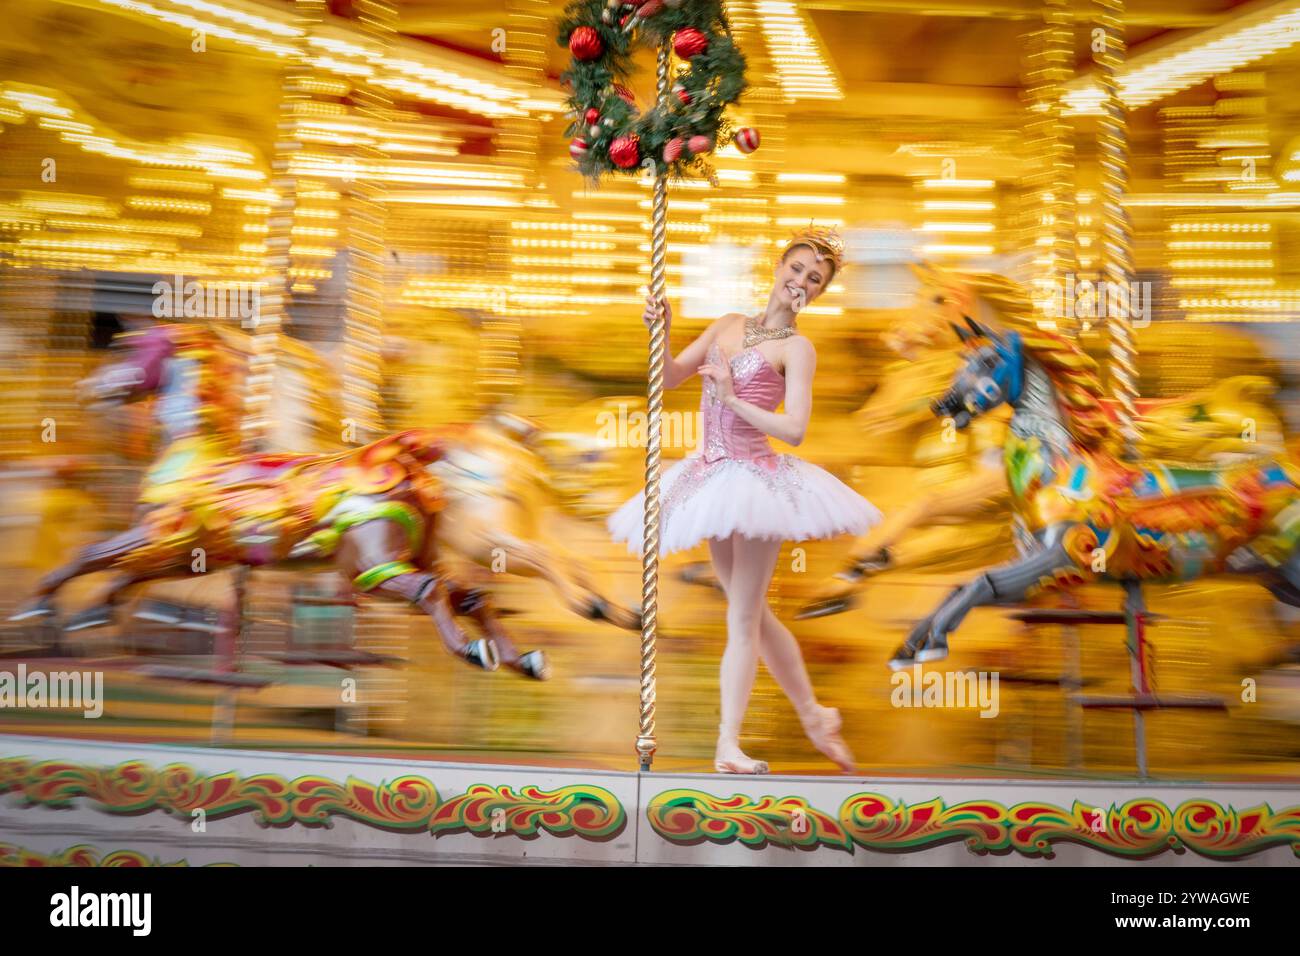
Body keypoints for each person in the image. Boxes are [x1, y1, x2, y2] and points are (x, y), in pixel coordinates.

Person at [607, 226, 881, 774]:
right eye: (798, 268)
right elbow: (671, 377)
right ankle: (815, 715)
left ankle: (727, 745)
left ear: (819, 294)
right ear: (779, 267)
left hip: (754, 482)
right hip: (710, 476)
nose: (801, 281)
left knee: (743, 617)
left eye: (815, 279)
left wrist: (733, 397)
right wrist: (658, 329)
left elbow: (796, 429)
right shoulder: (730, 324)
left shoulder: (798, 348)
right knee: (754, 616)